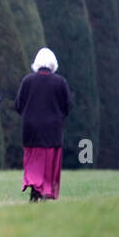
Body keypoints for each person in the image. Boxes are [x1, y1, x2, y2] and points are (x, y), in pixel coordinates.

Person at [14, 47, 72, 201]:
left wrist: (27, 115)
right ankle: (45, 188)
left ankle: (35, 186)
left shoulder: (27, 81)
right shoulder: (60, 82)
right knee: (49, 159)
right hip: (52, 129)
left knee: (33, 158)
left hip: (31, 128)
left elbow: (18, 104)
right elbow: (67, 106)